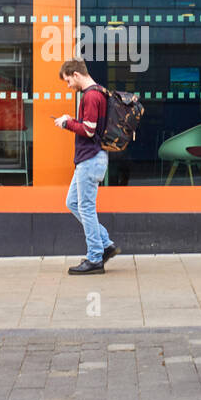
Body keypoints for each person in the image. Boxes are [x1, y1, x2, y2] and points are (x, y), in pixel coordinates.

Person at [55, 59, 120, 275]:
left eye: (68, 81)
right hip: (92, 158)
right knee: (72, 202)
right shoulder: (99, 92)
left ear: (76, 74)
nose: (68, 86)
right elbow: (91, 126)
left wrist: (67, 123)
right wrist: (72, 120)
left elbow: (89, 130)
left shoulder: (90, 96)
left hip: (90, 159)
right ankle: (106, 245)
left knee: (86, 208)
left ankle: (95, 258)